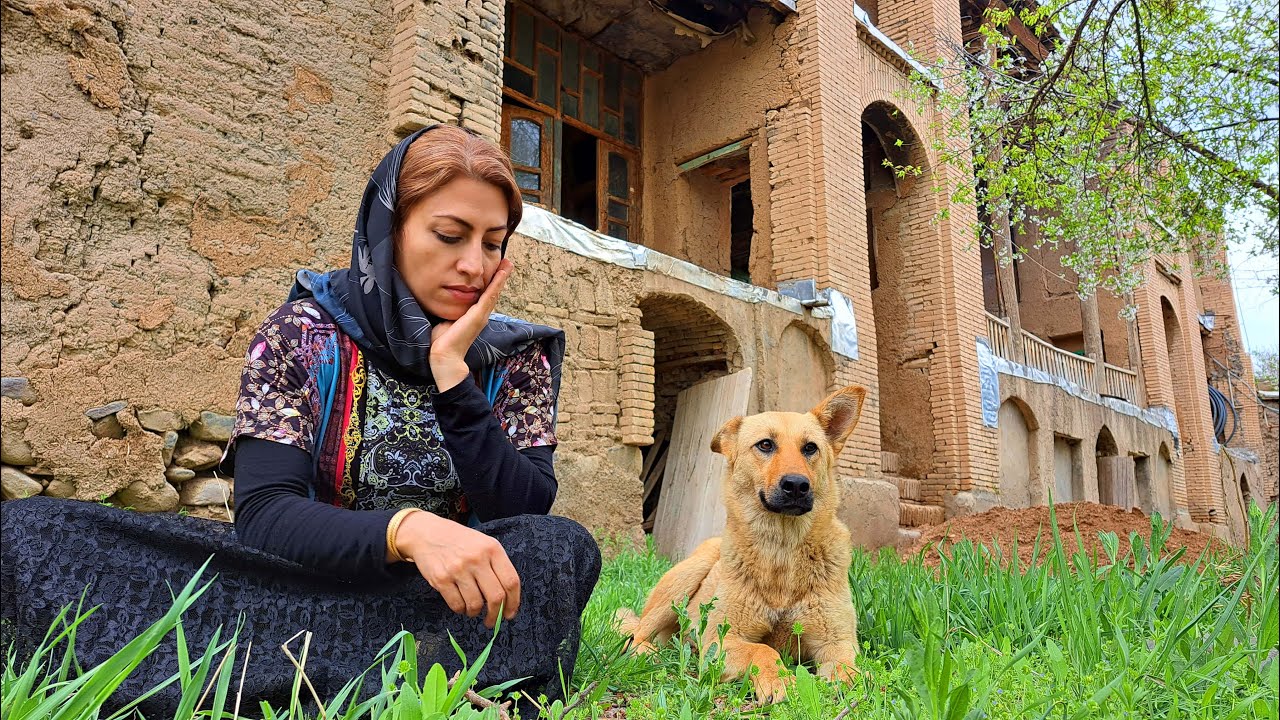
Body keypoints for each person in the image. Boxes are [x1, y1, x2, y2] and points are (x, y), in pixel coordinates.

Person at [0, 125, 601, 713]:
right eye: (449, 235)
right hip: (298, 578)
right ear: (388, 231)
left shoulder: (513, 357)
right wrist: (407, 531)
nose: (473, 264)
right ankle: (404, 669)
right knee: (33, 532)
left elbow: (519, 513)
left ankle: (288, 669)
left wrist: (452, 373)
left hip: (443, 597)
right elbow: (263, 515)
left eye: (493, 243)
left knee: (557, 548)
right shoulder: (303, 334)